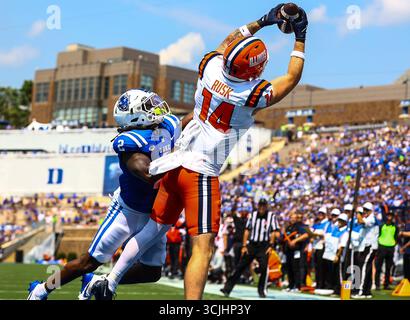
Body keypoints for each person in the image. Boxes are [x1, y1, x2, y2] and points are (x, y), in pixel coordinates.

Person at [94, 4, 308, 300]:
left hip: (175, 162)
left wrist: (262, 21)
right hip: (202, 172)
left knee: (155, 228)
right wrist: (301, 35)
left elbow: (228, 40)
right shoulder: (251, 94)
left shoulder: (209, 66)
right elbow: (292, 77)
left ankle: (110, 280)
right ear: (256, 69)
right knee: (203, 248)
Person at [27, 89, 184, 300]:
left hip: (153, 212)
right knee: (87, 262)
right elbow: (148, 173)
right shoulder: (129, 142)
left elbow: (190, 121)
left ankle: (98, 280)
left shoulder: (167, 124)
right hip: (127, 211)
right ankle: (40, 290)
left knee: (151, 272)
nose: (155, 107)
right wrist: (183, 160)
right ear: (136, 117)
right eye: (147, 106)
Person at [221, 199, 279, 297]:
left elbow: (274, 231)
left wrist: (271, 245)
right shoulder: (253, 215)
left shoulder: (271, 216)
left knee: (264, 268)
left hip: (264, 245)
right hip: (252, 244)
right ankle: (227, 288)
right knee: (240, 266)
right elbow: (247, 230)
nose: (261, 207)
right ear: (258, 206)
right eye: (260, 205)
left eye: (263, 205)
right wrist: (244, 246)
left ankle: (262, 291)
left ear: (266, 206)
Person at [353, 202, 379, 299]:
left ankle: (361, 291)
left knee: (363, 267)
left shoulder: (372, 218)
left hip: (370, 246)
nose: (364, 212)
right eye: (364, 210)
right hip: (365, 246)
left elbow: (360, 221)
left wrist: (358, 213)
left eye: (366, 210)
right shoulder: (368, 218)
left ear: (371, 210)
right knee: (366, 267)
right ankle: (367, 291)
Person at [322, 213, 349, 295]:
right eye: (339, 220)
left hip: (339, 256)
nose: (339, 222)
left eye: (341, 220)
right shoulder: (336, 230)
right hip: (333, 255)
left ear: (345, 222)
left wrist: (337, 256)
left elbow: (342, 246)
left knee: (339, 273)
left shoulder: (345, 232)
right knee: (334, 273)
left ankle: (339, 290)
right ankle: (335, 289)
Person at [283, 213, 309, 292]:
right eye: (291, 217)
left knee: (296, 268)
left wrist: (295, 241)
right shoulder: (288, 227)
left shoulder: (299, 227)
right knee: (289, 268)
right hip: (288, 251)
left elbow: (305, 235)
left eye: (294, 218)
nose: (293, 219)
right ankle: (290, 285)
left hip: (296, 250)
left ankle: (297, 286)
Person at [375, 211, 399, 290]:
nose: (390, 217)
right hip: (381, 247)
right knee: (378, 267)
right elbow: (378, 235)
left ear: (392, 217)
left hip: (390, 248)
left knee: (388, 267)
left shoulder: (395, 227)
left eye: (391, 215)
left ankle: (386, 284)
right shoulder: (381, 225)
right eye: (388, 215)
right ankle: (377, 284)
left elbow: (396, 238)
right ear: (386, 216)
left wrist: (393, 244)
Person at [311, 207, 329, 290]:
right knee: (317, 267)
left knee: (321, 267)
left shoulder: (327, 223)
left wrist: (316, 234)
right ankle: (318, 283)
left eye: (322, 213)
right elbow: (311, 232)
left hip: (321, 246)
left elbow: (325, 235)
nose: (320, 215)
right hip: (315, 247)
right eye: (319, 213)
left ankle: (321, 284)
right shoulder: (317, 224)